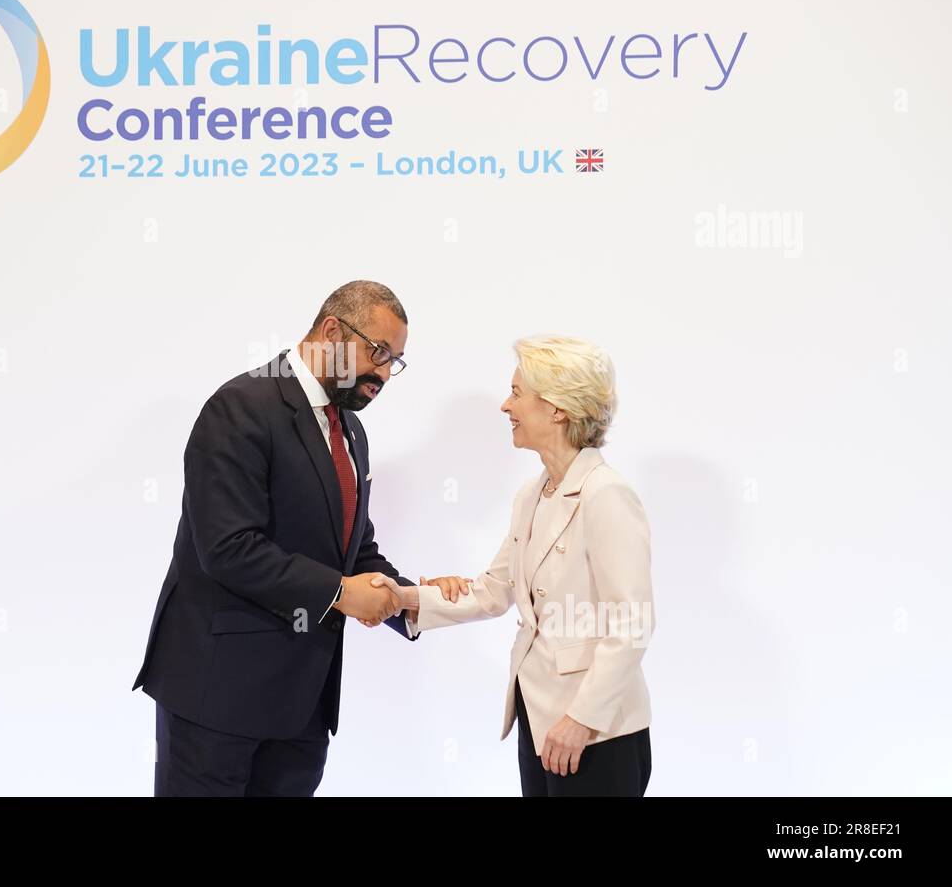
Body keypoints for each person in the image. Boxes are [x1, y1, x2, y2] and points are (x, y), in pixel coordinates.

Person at [133, 281, 419, 796]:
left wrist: (410, 602)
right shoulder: (240, 406)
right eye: (378, 352)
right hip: (215, 698)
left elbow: (354, 549)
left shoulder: (351, 431)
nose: (384, 373)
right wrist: (340, 593)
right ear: (332, 330)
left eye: (395, 361)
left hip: (301, 711)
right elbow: (228, 547)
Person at [375, 335, 655, 796]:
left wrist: (581, 719)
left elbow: (633, 624)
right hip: (540, 718)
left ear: (559, 408)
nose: (506, 406)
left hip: (596, 731)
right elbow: (493, 591)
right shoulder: (532, 494)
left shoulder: (606, 495)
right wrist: (401, 597)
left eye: (517, 393)